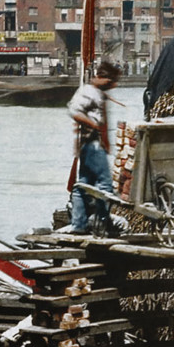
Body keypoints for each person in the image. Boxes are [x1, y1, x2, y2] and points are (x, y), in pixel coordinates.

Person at [66, 61, 121, 235]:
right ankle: (105, 224)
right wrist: (94, 126)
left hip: (91, 144)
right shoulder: (88, 91)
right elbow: (74, 112)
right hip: (91, 143)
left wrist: (107, 142)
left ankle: (79, 224)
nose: (112, 85)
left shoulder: (98, 93)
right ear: (100, 77)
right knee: (105, 184)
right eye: (110, 81)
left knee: (83, 184)